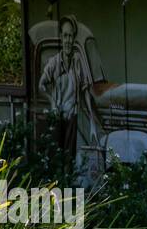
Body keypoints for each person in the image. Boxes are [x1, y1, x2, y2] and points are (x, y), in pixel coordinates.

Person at [38, 14, 105, 179]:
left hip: (72, 118)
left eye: (71, 36)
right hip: (57, 118)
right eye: (65, 35)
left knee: (69, 160)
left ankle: (66, 194)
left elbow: (85, 91)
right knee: (56, 160)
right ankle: (56, 195)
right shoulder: (54, 62)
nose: (68, 40)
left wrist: (91, 122)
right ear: (61, 37)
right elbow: (41, 85)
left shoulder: (77, 61)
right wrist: (52, 100)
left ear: (74, 38)